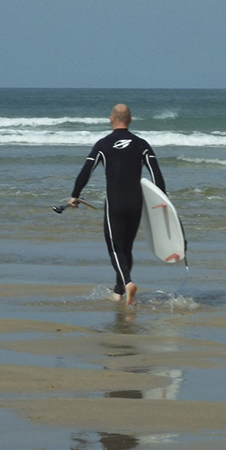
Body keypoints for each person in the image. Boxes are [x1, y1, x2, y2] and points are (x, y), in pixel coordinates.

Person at [69, 103, 165, 306]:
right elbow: (156, 174)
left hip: (115, 203)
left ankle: (128, 284)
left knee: (114, 247)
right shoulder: (142, 144)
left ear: (111, 119)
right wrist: (162, 200)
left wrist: (75, 195)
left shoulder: (103, 144)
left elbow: (86, 170)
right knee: (126, 248)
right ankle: (118, 293)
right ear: (130, 120)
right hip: (136, 203)